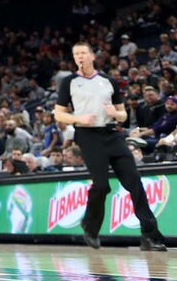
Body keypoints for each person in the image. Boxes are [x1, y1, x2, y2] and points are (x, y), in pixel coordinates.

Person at [53, 41, 167, 251]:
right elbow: (59, 114)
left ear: (92, 56)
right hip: (87, 135)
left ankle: (150, 235)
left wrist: (116, 114)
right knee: (101, 185)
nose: (80, 56)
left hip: (112, 134)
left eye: (83, 53)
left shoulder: (108, 81)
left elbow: (122, 114)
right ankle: (90, 225)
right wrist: (78, 118)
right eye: (76, 54)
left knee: (134, 182)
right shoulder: (69, 82)